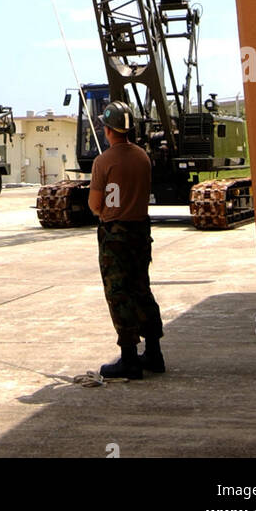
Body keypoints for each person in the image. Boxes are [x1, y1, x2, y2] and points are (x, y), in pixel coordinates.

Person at [88, 101, 165, 380]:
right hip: (141, 232)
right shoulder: (142, 157)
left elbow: (95, 205)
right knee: (142, 288)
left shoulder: (103, 161)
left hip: (115, 235)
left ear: (108, 130)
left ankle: (129, 357)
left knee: (119, 293)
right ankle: (154, 352)